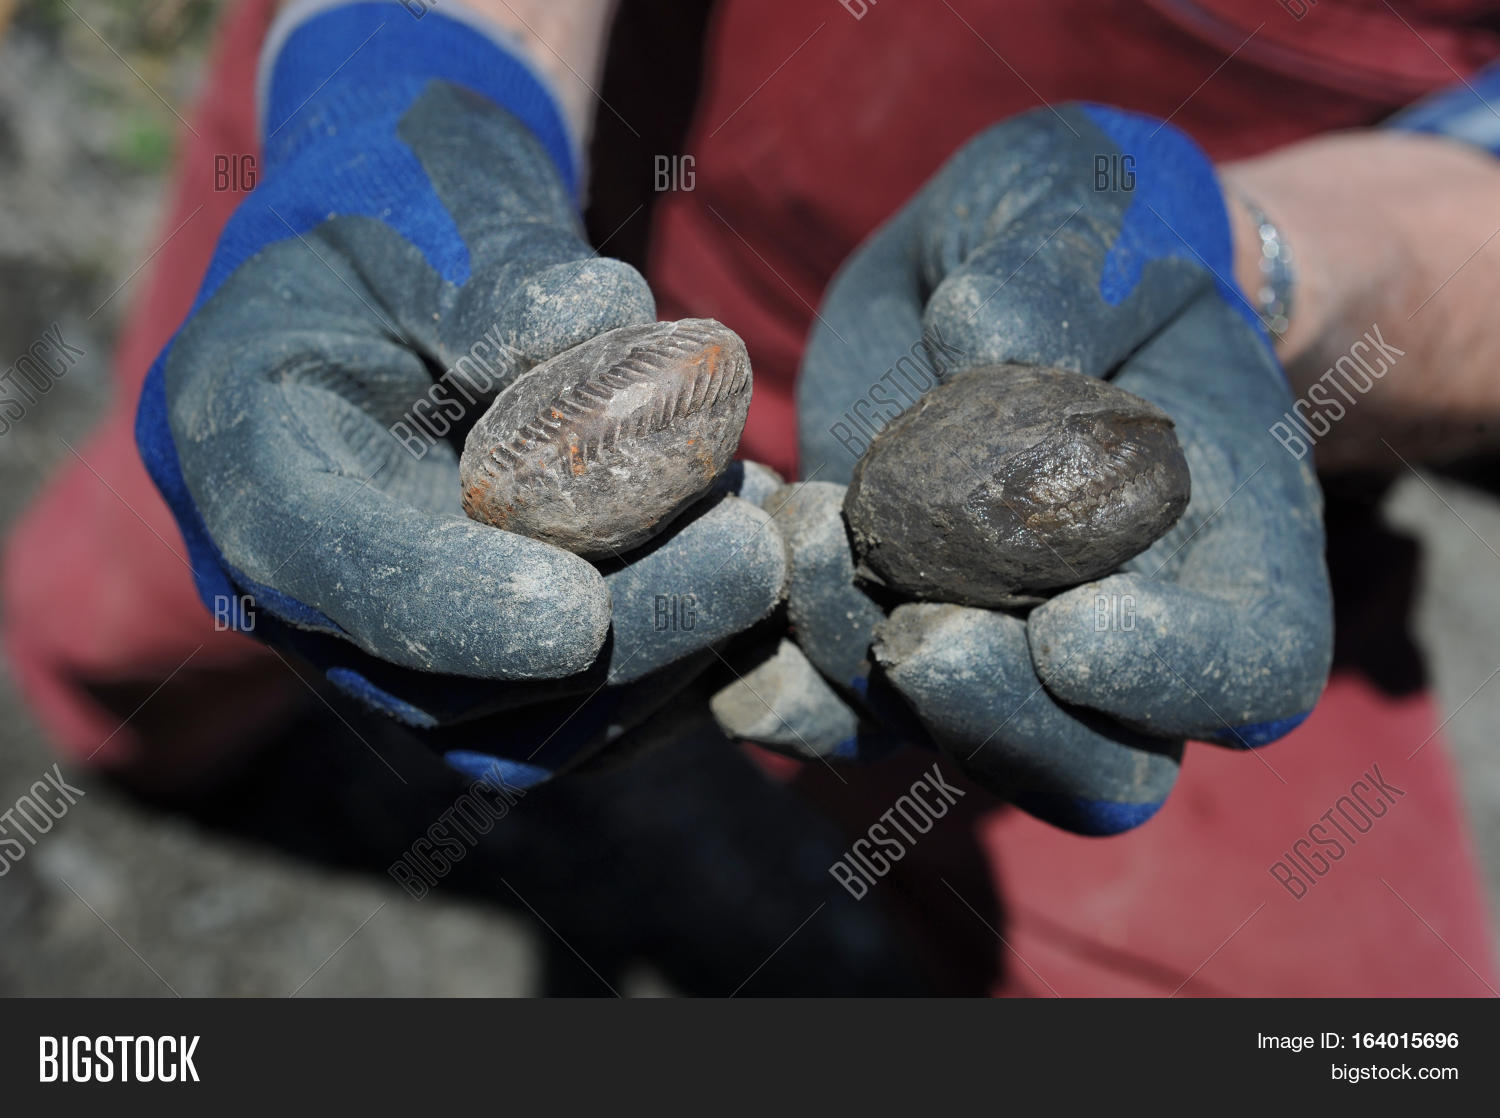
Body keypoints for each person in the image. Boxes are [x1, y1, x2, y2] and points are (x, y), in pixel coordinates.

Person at [4, 0, 1497, 993]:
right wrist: (402, 69)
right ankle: (148, 752)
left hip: (1152, 332)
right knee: (179, 581)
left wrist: (1259, 278)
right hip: (526, 217)